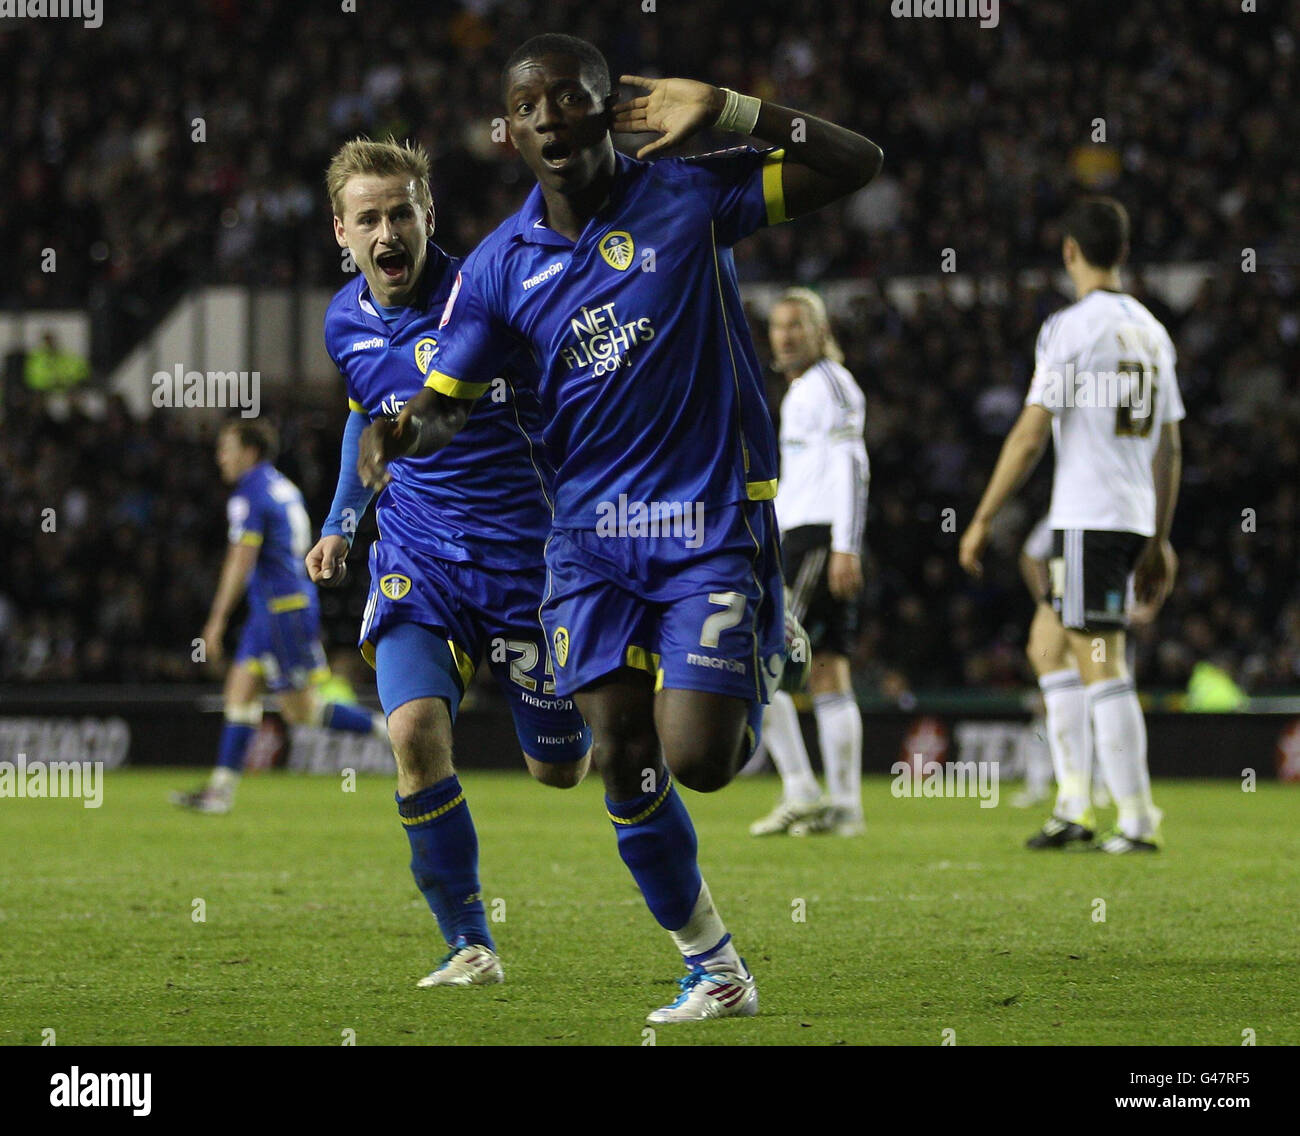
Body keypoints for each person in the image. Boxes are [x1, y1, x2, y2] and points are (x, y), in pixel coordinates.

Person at [358, 34, 882, 1021]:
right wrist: (401, 430)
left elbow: (856, 162)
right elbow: (448, 400)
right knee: (619, 753)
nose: (549, 115)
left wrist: (732, 106)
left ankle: (764, 631)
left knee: (701, 759)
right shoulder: (502, 268)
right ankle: (715, 966)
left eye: (569, 97)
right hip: (588, 540)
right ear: (509, 132)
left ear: (608, 110)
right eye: (528, 104)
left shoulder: (686, 193)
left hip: (703, 524)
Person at [304, 138, 592, 988]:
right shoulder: (342, 321)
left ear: (428, 216)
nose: (387, 231)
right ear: (342, 233)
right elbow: (366, 417)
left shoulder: (490, 297)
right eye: (369, 219)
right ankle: (470, 942)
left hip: (528, 568)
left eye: (401, 213)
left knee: (561, 768)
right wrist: (340, 528)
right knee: (413, 732)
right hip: (418, 558)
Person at [959, 197, 1182, 853]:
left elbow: (1029, 436)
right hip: (1126, 513)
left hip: (1091, 515)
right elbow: (1170, 445)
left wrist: (981, 518)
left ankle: (1138, 819)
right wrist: (1161, 535)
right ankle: (1076, 805)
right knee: (1047, 647)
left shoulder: (1070, 328)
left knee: (1100, 659)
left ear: (1069, 252)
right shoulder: (1150, 328)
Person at [172, 420, 387, 815]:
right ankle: (220, 791)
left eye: (227, 448)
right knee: (239, 692)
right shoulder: (281, 486)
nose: (221, 457)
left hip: (281, 611)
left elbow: (241, 559)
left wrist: (216, 619)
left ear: (250, 452)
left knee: (301, 711)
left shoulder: (250, 494)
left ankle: (391, 732)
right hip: (272, 609)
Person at [749, 288, 868, 838]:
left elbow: (853, 462)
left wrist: (847, 543)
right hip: (804, 538)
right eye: (778, 326)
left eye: (797, 325)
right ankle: (843, 807)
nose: (786, 335)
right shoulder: (804, 390)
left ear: (820, 331)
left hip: (817, 540)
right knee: (827, 670)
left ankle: (801, 787)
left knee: (755, 659)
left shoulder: (829, 384)